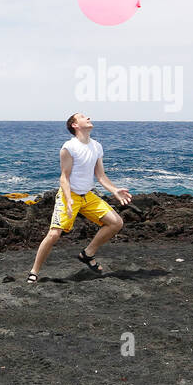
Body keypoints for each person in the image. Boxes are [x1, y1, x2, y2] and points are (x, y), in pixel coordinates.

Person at [27, 112, 132, 282]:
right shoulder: (69, 147)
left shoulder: (97, 146)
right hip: (70, 195)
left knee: (116, 222)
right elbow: (64, 177)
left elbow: (100, 176)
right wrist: (68, 199)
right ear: (75, 125)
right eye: (83, 117)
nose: (88, 117)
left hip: (88, 195)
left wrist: (114, 190)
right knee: (54, 234)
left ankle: (87, 253)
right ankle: (34, 271)